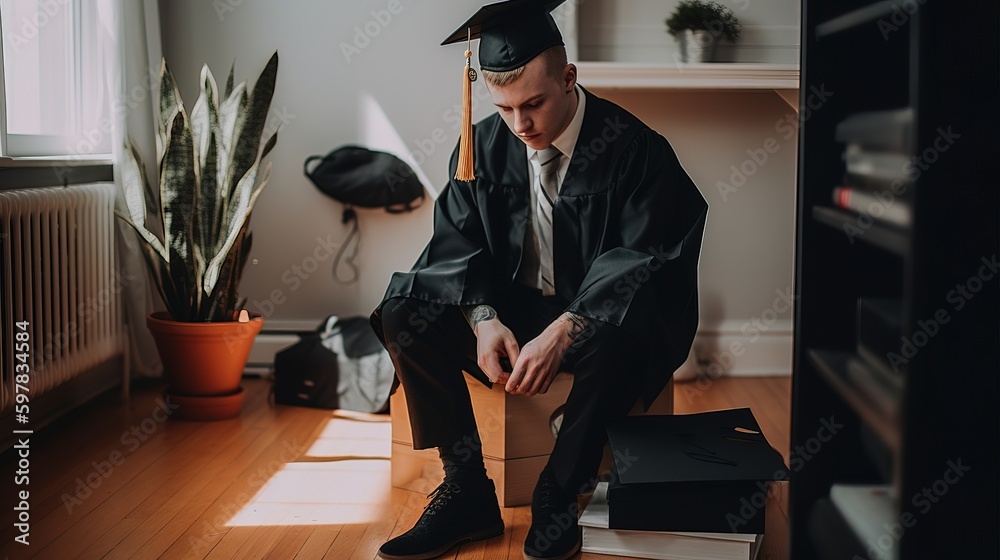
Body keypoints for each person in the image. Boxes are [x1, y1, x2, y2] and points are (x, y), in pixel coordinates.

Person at [369, 1, 708, 559]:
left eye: (534, 103)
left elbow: (647, 255)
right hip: (510, 316)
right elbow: (456, 246)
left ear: (569, 78)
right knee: (408, 305)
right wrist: (482, 319)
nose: (521, 125)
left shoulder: (634, 148)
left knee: (630, 317)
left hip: (597, 323)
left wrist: (569, 327)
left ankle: (559, 488)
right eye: (505, 108)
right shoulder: (481, 146)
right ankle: (466, 489)